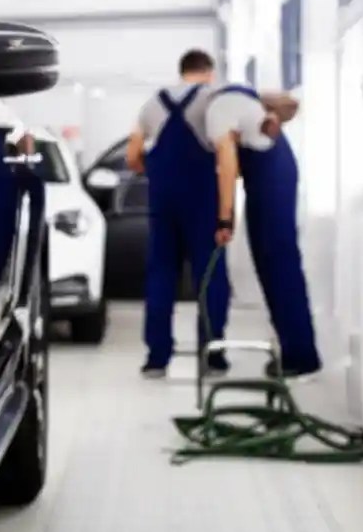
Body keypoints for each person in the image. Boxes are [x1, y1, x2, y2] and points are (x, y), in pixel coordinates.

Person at [126, 50, 231, 378]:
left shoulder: (152, 103)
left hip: (164, 203)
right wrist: (226, 215)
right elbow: (227, 159)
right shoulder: (214, 100)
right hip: (202, 203)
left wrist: (156, 175)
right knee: (211, 277)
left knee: (160, 276)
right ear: (208, 72)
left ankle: (156, 359)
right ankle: (212, 356)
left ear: (182, 70)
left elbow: (133, 155)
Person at [206, 84, 322, 379]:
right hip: (273, 173)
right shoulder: (234, 98)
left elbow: (229, 164)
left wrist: (224, 219)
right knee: (273, 264)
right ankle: (295, 351)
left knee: (279, 265)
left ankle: (301, 358)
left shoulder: (217, 112)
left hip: (270, 181)